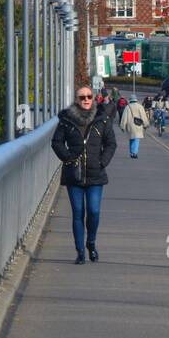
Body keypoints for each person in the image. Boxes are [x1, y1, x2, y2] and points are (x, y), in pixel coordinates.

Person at [52, 84, 117, 263]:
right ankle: (80, 252)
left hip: (96, 174)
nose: (86, 100)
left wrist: (103, 161)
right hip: (74, 174)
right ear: (76, 100)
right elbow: (56, 142)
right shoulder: (66, 120)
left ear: (93, 98)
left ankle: (91, 242)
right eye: (82, 97)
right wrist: (68, 158)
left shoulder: (102, 119)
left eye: (89, 96)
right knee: (78, 212)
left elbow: (111, 143)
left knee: (94, 211)